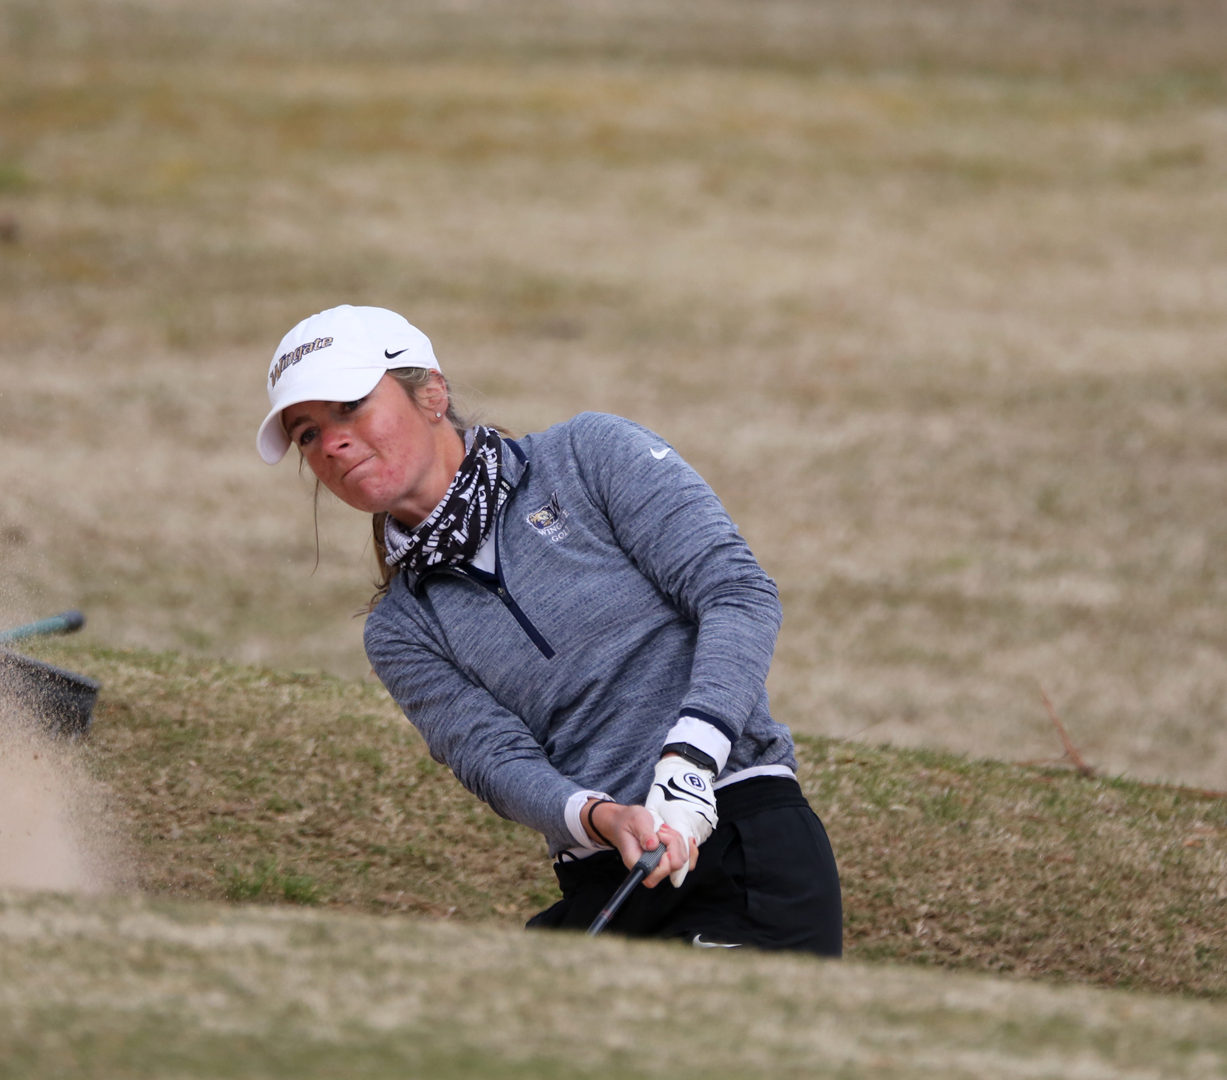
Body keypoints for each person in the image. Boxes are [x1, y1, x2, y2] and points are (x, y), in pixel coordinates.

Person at [257, 305, 842, 954]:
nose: (331, 443)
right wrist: (599, 816)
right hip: (605, 871)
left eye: (350, 406)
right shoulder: (401, 628)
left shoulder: (588, 456)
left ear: (432, 394)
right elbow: (495, 759)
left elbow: (735, 592)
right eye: (307, 434)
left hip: (742, 832)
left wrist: (692, 760)